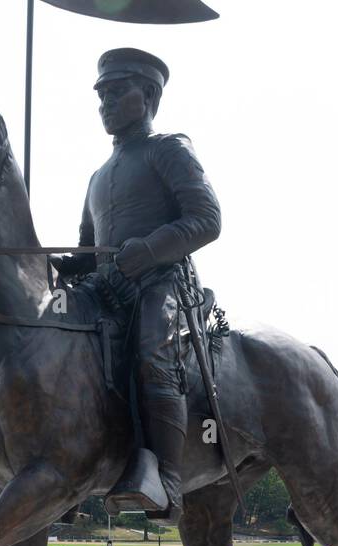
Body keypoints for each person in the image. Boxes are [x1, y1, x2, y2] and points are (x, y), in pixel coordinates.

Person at [53, 46, 221, 518]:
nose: (104, 102)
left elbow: (207, 219)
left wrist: (147, 252)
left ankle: (167, 479)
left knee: (151, 354)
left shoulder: (169, 148)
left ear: (147, 95)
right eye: (100, 94)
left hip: (161, 283)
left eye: (115, 91)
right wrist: (70, 267)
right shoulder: (97, 176)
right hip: (106, 290)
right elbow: (89, 250)